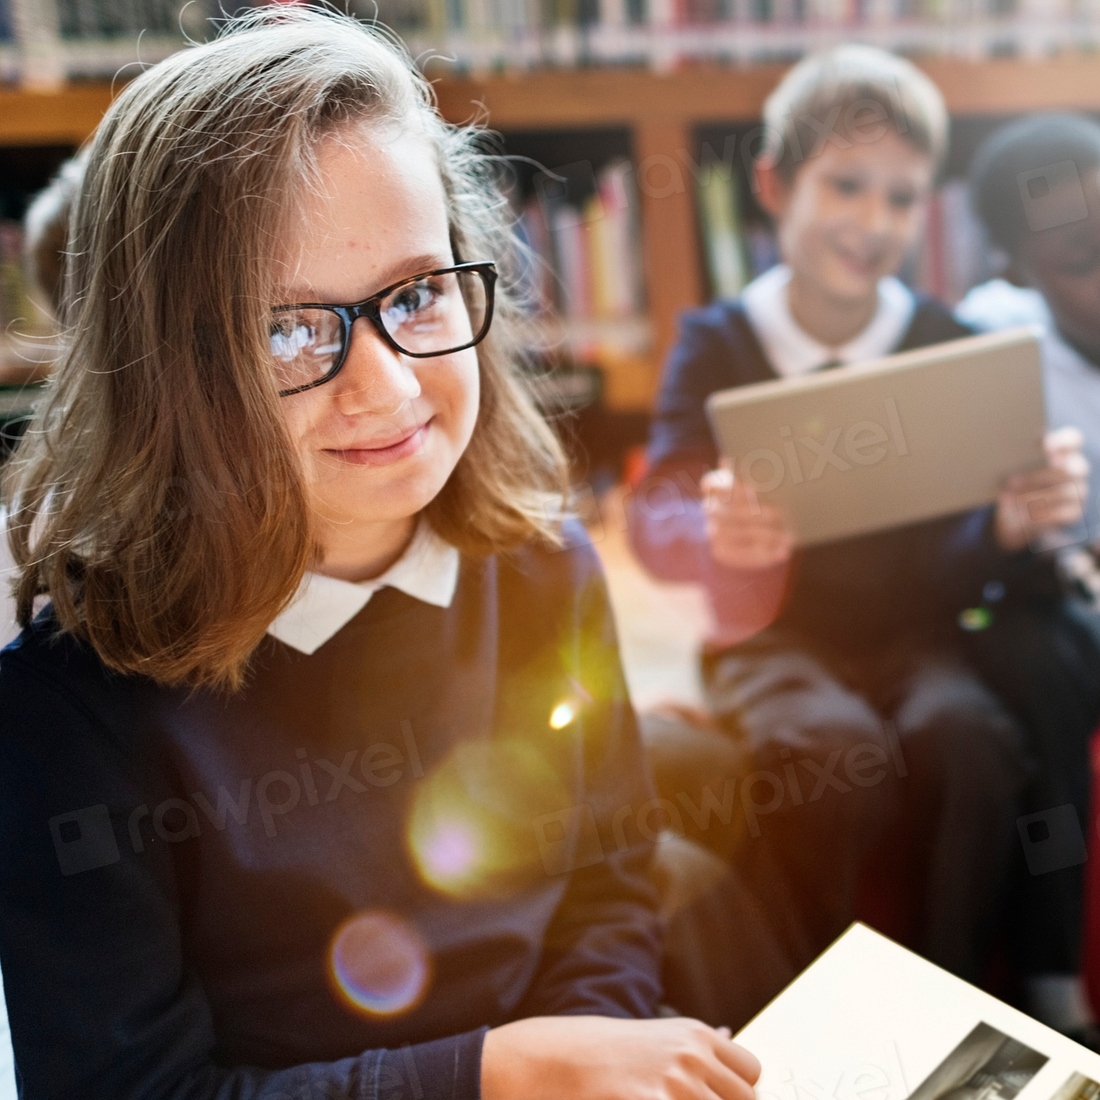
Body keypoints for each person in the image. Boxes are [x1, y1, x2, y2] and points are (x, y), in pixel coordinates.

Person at [0, 10, 763, 1100]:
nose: (391, 385)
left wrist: (587, 1051)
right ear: (167, 370)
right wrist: (496, 1073)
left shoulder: (546, 571)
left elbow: (606, 886)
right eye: (288, 329)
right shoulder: (66, 714)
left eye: (415, 295)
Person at [629, 45, 1087, 1015]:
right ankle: (817, 1007)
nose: (873, 223)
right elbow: (654, 515)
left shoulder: (946, 343)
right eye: (845, 186)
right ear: (772, 187)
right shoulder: (717, 342)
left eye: (900, 198)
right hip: (771, 641)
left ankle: (952, 999)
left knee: (967, 736)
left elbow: (951, 561)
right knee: (824, 749)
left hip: (922, 637)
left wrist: (1003, 527)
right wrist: (709, 527)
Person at [956, 113, 1100, 1036]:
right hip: (1037, 605)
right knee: (1038, 657)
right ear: (1018, 270)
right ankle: (1050, 974)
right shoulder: (988, 344)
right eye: (1083, 259)